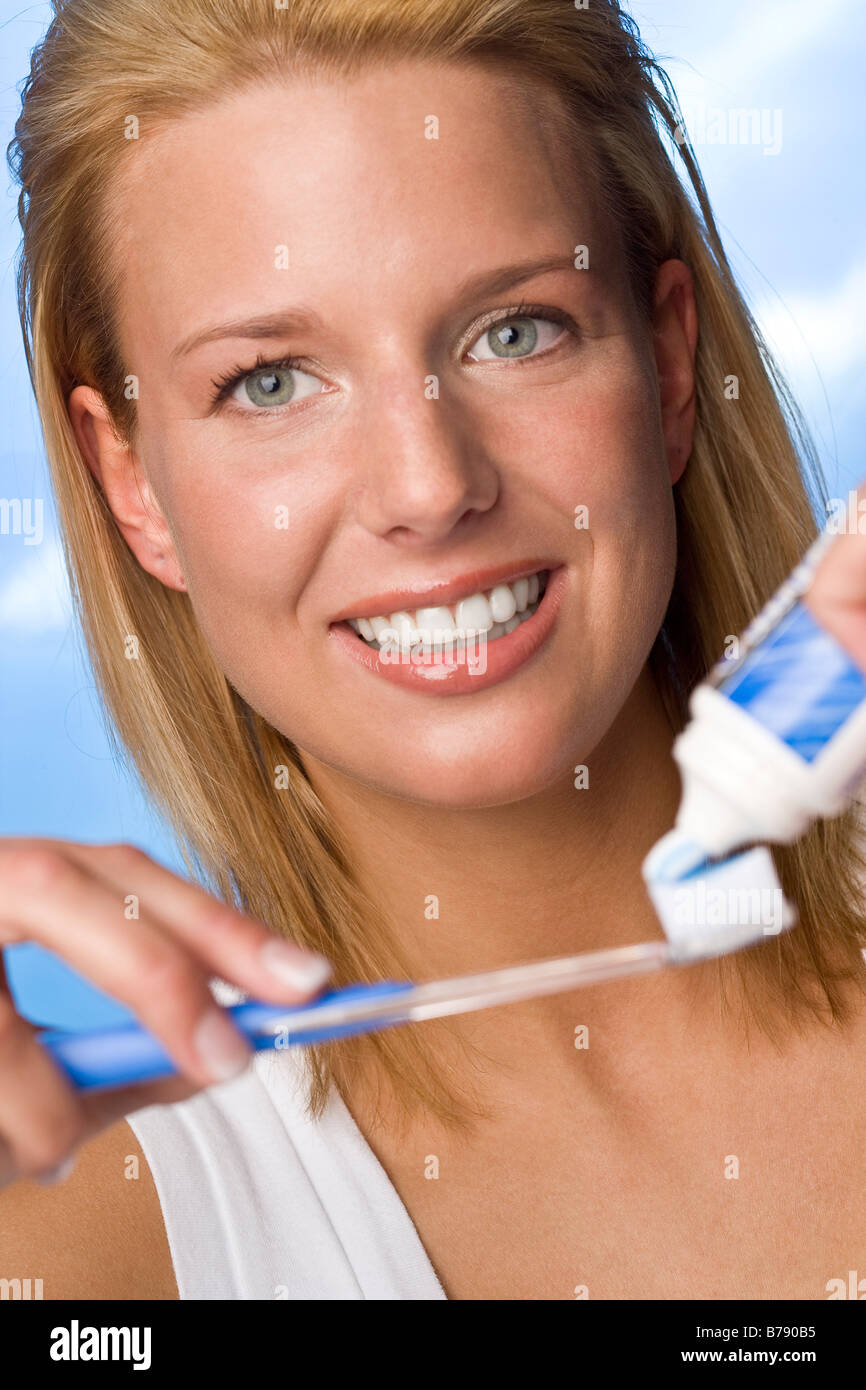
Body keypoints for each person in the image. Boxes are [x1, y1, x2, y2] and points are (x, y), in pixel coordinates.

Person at [2, 0, 865, 1300]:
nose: (426, 486)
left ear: (671, 362)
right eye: (271, 381)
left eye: (512, 331)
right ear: (128, 480)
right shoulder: (80, 1234)